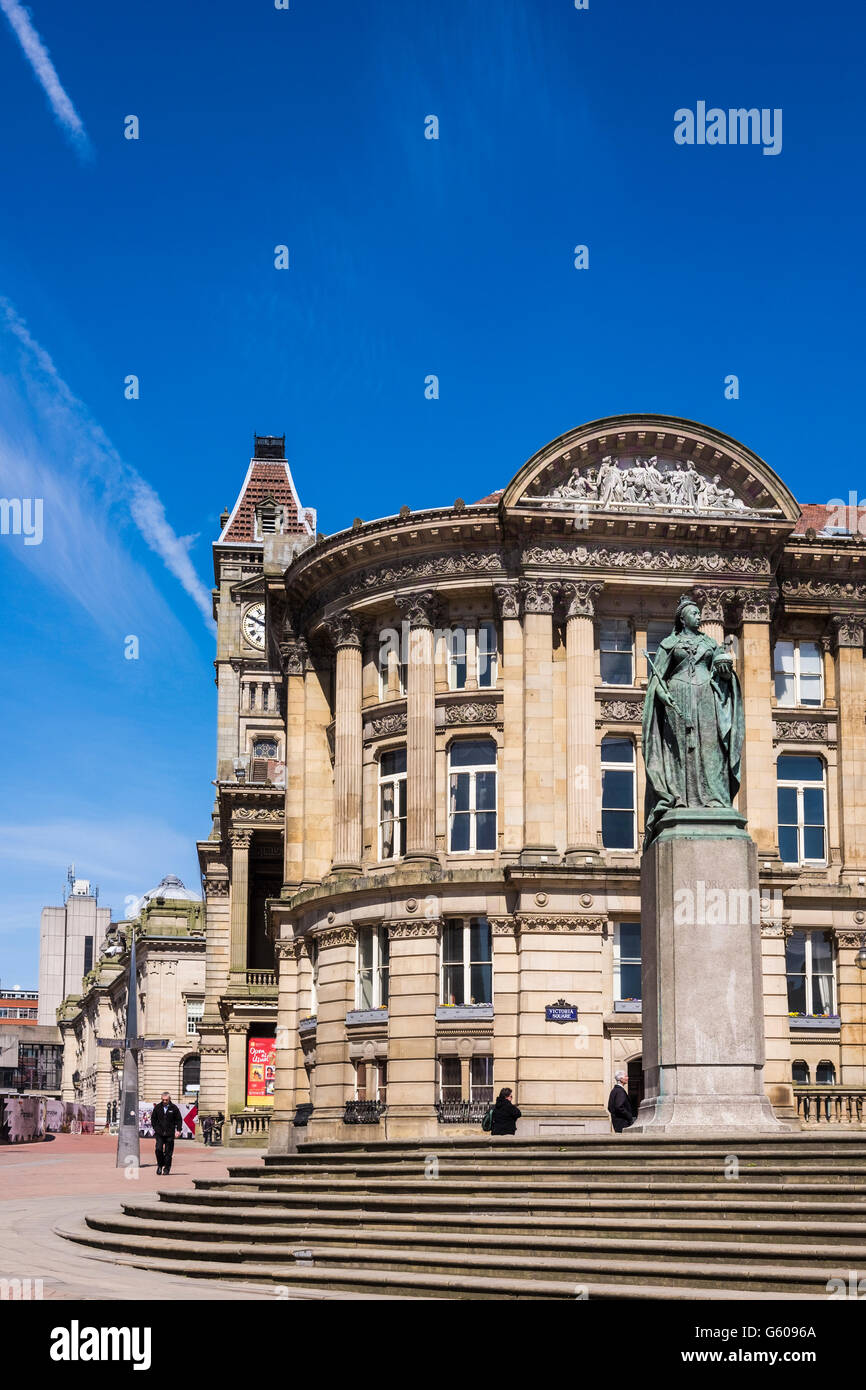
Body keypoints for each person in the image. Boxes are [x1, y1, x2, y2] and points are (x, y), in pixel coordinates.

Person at [150, 1091, 183, 1174]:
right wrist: (156, 1129)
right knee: (158, 1149)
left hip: (170, 1134)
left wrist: (178, 1130)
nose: (164, 1102)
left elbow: (179, 1120)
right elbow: (153, 1119)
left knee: (168, 1152)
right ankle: (160, 1165)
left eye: (166, 1100)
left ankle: (167, 1168)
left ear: (169, 1099)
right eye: (163, 1100)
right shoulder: (157, 1107)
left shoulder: (174, 1108)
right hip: (160, 1133)